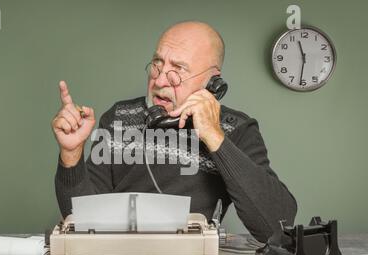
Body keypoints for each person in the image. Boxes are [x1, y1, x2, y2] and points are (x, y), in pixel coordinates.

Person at [51, 21, 297, 242]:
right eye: (157, 65)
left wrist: (214, 136)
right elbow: (80, 219)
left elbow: (275, 226)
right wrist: (71, 154)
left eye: (177, 71)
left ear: (213, 83)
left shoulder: (237, 128)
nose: (159, 81)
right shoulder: (117, 118)